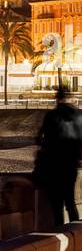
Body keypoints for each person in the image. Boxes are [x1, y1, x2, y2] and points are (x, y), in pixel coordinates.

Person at [34, 86, 82, 226]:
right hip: (71, 165)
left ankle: (59, 232)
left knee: (57, 206)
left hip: (54, 166)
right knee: (70, 202)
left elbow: (39, 138)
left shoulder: (51, 115)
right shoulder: (78, 115)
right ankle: (77, 234)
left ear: (57, 98)